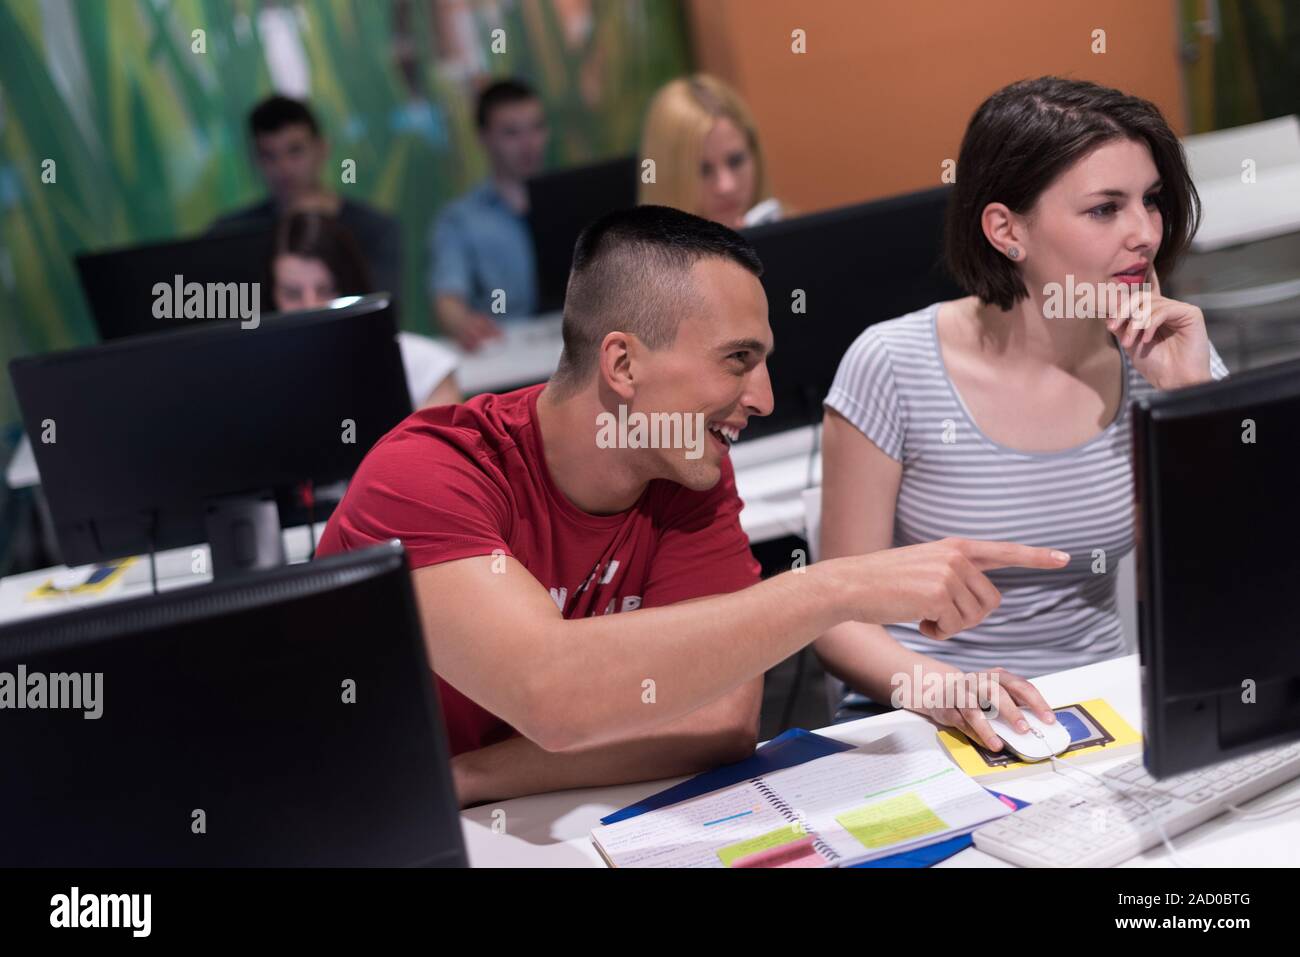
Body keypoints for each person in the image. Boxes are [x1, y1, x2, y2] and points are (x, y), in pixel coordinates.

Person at [314, 204, 1069, 807]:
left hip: (483, 810)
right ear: (623, 364)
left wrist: (471, 777)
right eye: (739, 359)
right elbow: (552, 691)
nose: (765, 396)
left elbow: (717, 719)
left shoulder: (688, 468)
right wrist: (833, 587)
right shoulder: (429, 473)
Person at [814, 76, 1229, 750]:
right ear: (1006, 230)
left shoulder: (1174, 358)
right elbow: (835, 615)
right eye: (1105, 209)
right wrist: (944, 688)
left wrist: (1188, 408)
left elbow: (1224, 585)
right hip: (923, 717)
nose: (1145, 233)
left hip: (1098, 712)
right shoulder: (892, 363)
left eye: (1150, 201)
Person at [211, 94, 402, 303]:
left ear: (322, 148)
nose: (284, 168)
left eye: (295, 151)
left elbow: (383, 315)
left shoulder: (374, 230)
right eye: (269, 155)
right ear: (255, 160)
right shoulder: (229, 235)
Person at [269, 212, 459, 409]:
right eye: (292, 294)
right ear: (270, 294)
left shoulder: (425, 368)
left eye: (326, 290)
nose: (310, 307)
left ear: (350, 285)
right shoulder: (260, 379)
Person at [429, 78, 549, 350]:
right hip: (508, 355)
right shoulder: (459, 220)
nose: (529, 144)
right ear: (484, 138)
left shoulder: (577, 198)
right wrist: (462, 323)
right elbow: (447, 297)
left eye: (537, 128)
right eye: (511, 133)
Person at [638, 74, 783, 229]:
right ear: (666, 176)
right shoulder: (638, 252)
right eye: (703, 170)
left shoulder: (798, 241)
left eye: (736, 161)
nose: (727, 186)